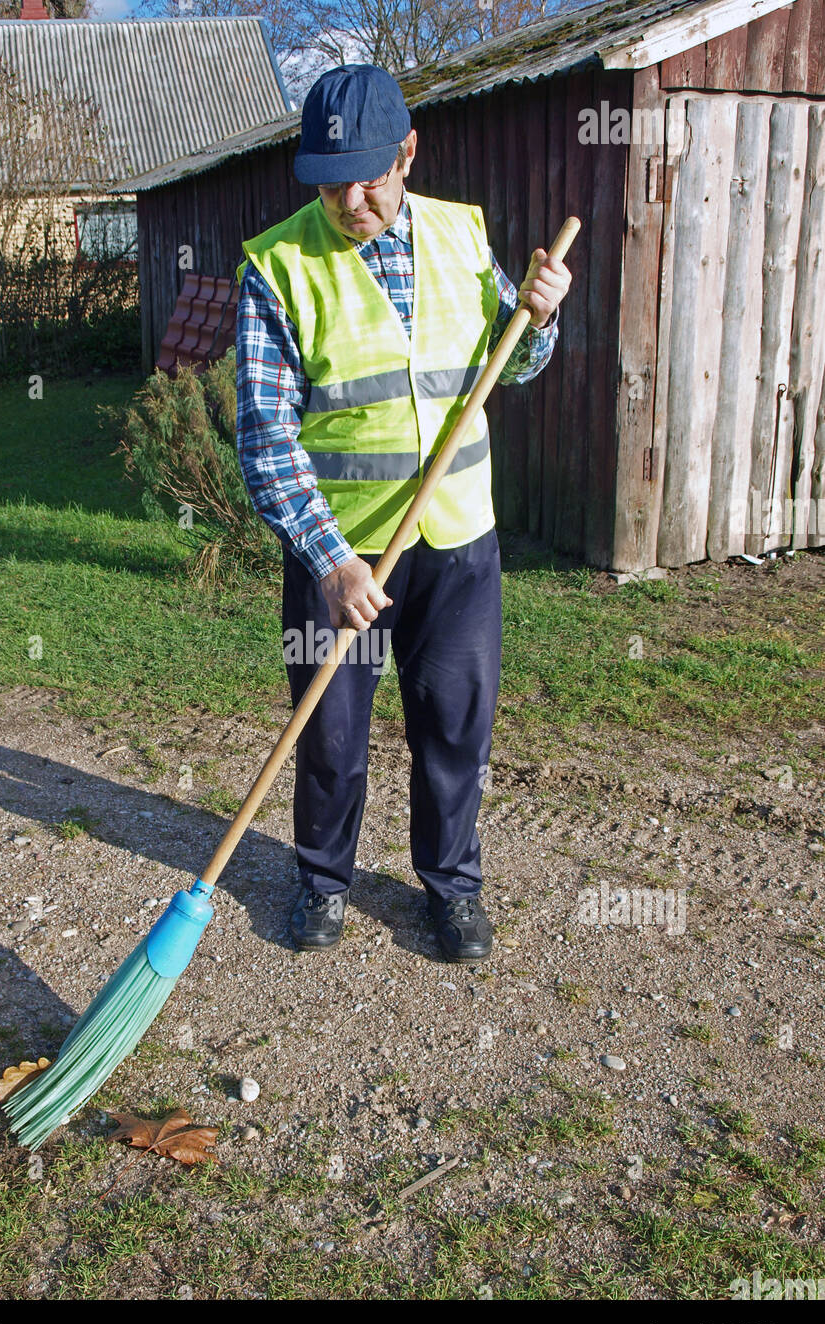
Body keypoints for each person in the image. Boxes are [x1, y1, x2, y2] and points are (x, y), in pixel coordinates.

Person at [235, 64, 570, 961]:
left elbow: (515, 365)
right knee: (330, 730)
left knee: (455, 722)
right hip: (340, 555)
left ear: (408, 153)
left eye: (369, 176)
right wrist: (328, 557)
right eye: (329, 179)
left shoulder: (462, 238)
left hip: (458, 539)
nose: (350, 198)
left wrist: (537, 322)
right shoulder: (277, 266)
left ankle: (450, 888)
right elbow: (265, 442)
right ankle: (321, 881)